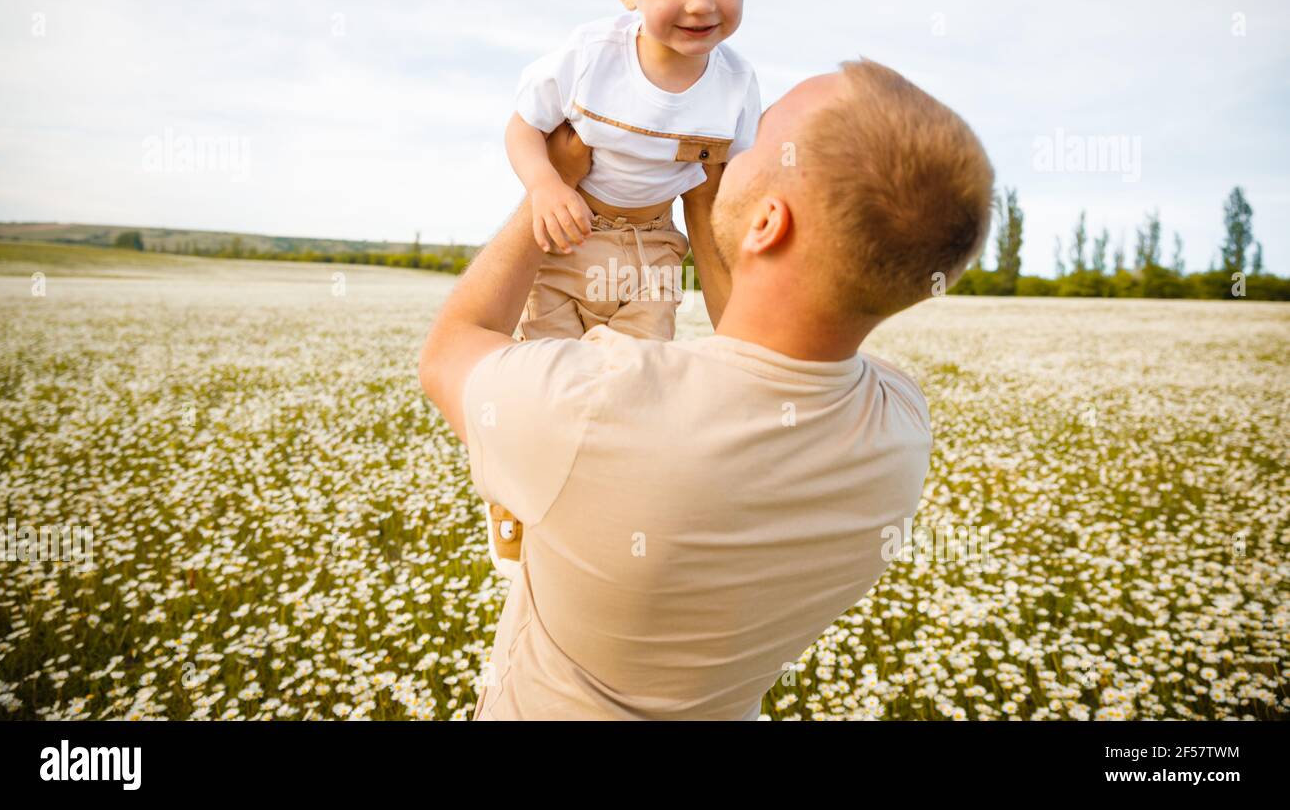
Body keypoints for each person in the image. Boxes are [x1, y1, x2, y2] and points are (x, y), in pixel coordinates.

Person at [419, 58, 995, 719]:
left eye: (758, 132)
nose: (730, 141)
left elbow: (448, 352)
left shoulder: (597, 405)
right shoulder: (900, 428)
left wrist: (549, 186)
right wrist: (700, 206)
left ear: (768, 224)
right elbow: (758, 352)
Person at [489, 0, 761, 576]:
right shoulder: (590, 58)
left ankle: (606, 519)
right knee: (539, 381)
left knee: (638, 392)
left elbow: (727, 189)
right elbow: (523, 128)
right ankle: (517, 506)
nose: (701, 3)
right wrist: (547, 185)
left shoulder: (736, 86)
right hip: (569, 234)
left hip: (654, 249)